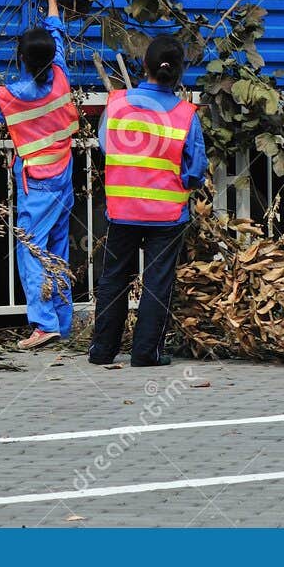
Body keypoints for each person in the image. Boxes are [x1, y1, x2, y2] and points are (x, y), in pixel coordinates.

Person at [0, 0, 79, 349]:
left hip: (38, 182)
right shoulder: (60, 76)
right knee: (57, 250)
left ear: (22, 60)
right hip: (63, 175)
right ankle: (61, 320)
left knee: (31, 250)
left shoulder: (16, 95)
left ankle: (43, 325)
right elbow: (57, 35)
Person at [88, 35, 209, 368]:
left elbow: (106, 146)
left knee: (113, 277)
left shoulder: (116, 104)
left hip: (122, 209)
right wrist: (183, 183)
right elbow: (196, 168)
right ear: (180, 73)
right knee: (158, 281)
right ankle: (145, 352)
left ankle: (101, 351)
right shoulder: (186, 115)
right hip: (167, 214)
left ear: (144, 66)